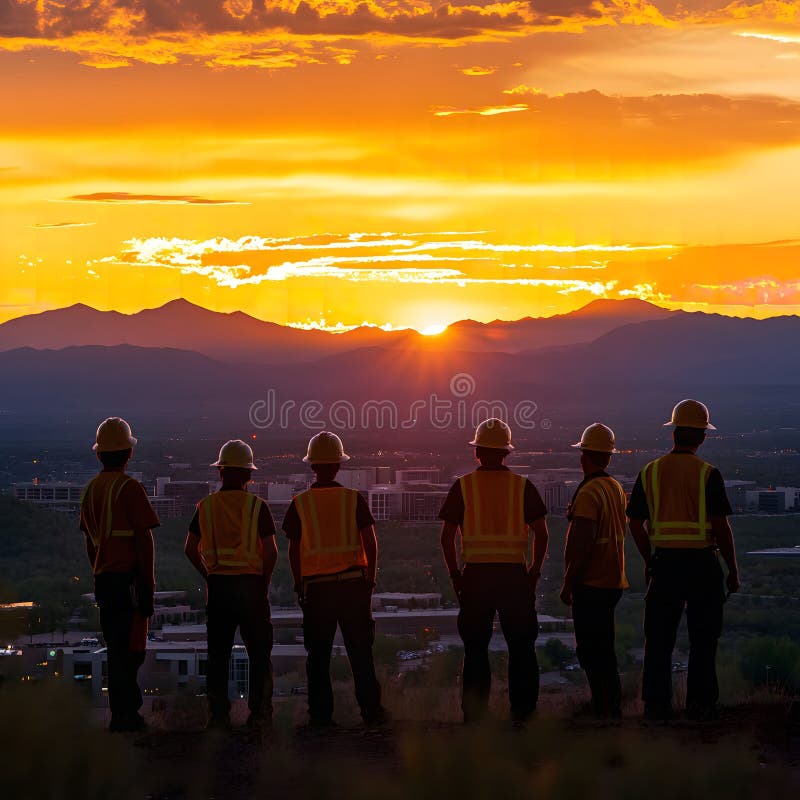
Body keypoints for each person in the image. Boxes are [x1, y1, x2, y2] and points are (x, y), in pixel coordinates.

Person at [627, 399, 740, 722]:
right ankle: (701, 705)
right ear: (702, 436)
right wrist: (732, 570)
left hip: (665, 565)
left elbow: (635, 522)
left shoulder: (649, 472)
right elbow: (721, 527)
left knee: (659, 639)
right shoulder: (708, 474)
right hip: (703, 565)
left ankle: (656, 705)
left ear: (674, 432)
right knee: (704, 639)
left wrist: (650, 558)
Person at [439, 418, 549, 724]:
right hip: (514, 577)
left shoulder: (463, 486)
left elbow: (446, 537)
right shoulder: (522, 487)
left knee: (475, 649)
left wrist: (455, 575)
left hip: (475, 578)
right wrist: (534, 572)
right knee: (522, 648)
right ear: (506, 453)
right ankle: (523, 715)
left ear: (477, 452)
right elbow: (542, 533)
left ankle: (475, 717)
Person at [282, 431, 386, 727]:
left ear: (312, 466)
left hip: (316, 590)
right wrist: (370, 579)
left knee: (318, 657)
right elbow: (370, 542)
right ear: (339, 465)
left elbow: (293, 550)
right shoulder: (353, 500)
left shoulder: (300, 504)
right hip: (354, 586)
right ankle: (372, 713)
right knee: (360, 653)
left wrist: (299, 583)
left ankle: (320, 718)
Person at [185, 439, 278, 729]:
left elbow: (190, 548)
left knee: (218, 656)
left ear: (220, 472)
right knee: (259, 654)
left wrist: (209, 574)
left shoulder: (206, 507)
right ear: (249, 475)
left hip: (220, 588)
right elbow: (271, 552)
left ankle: (218, 717)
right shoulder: (257, 507)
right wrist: (263, 582)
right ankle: (260, 715)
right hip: (251, 587)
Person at [80, 417, 159, 733]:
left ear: (99, 454)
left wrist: (99, 570)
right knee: (132, 648)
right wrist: (148, 584)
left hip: (105, 580)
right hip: (129, 579)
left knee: (116, 648)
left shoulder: (90, 490)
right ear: (129, 453)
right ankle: (128, 715)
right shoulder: (130, 488)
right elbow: (144, 539)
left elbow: (90, 540)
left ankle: (121, 714)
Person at [560, 423, 628, 719]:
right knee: (605, 649)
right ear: (608, 457)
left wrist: (568, 582)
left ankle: (603, 707)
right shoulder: (614, 487)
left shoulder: (588, 493)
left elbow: (582, 543)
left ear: (584, 455)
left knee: (590, 651)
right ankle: (610, 705)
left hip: (592, 583)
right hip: (613, 580)